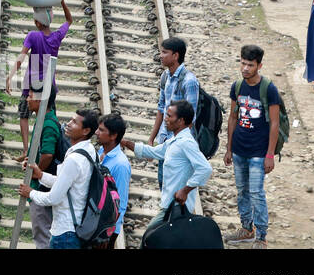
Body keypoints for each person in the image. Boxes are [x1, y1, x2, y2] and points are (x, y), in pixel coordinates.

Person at [224, 45, 283, 247]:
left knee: (256, 193)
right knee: (242, 191)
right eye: (243, 63)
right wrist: (229, 148)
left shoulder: (269, 89)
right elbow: (233, 118)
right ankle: (247, 229)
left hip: (259, 151)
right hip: (239, 149)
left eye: (250, 65)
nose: (245, 68)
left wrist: (270, 154)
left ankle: (261, 236)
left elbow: (274, 123)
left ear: (259, 65)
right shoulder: (237, 86)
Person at [20, 108, 101, 249]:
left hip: (65, 233)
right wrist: (41, 175)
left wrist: (30, 193)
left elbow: (53, 198)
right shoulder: (89, 151)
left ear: (86, 131)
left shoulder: (74, 159)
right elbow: (65, 182)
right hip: (77, 227)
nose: (68, 124)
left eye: (75, 122)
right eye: (70, 120)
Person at [122, 99, 212, 219]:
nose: (165, 119)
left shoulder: (186, 143)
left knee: (152, 235)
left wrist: (185, 191)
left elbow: (205, 168)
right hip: (169, 206)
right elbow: (151, 152)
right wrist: (125, 142)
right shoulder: (174, 142)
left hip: (178, 209)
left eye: (169, 116)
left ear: (181, 121)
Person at [6, 0, 71, 154]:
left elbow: (22, 56)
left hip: (30, 84)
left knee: (24, 115)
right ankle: (45, 148)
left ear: (37, 22)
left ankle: (25, 150)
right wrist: (62, 2)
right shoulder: (57, 36)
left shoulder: (33, 36)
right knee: (48, 116)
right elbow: (69, 20)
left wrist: (10, 76)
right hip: (49, 85)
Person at [95, 114, 131, 243]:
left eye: (101, 130)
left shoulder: (121, 165)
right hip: (95, 222)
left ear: (113, 135)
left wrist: (109, 233)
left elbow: (120, 202)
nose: (96, 132)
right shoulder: (100, 152)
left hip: (105, 228)